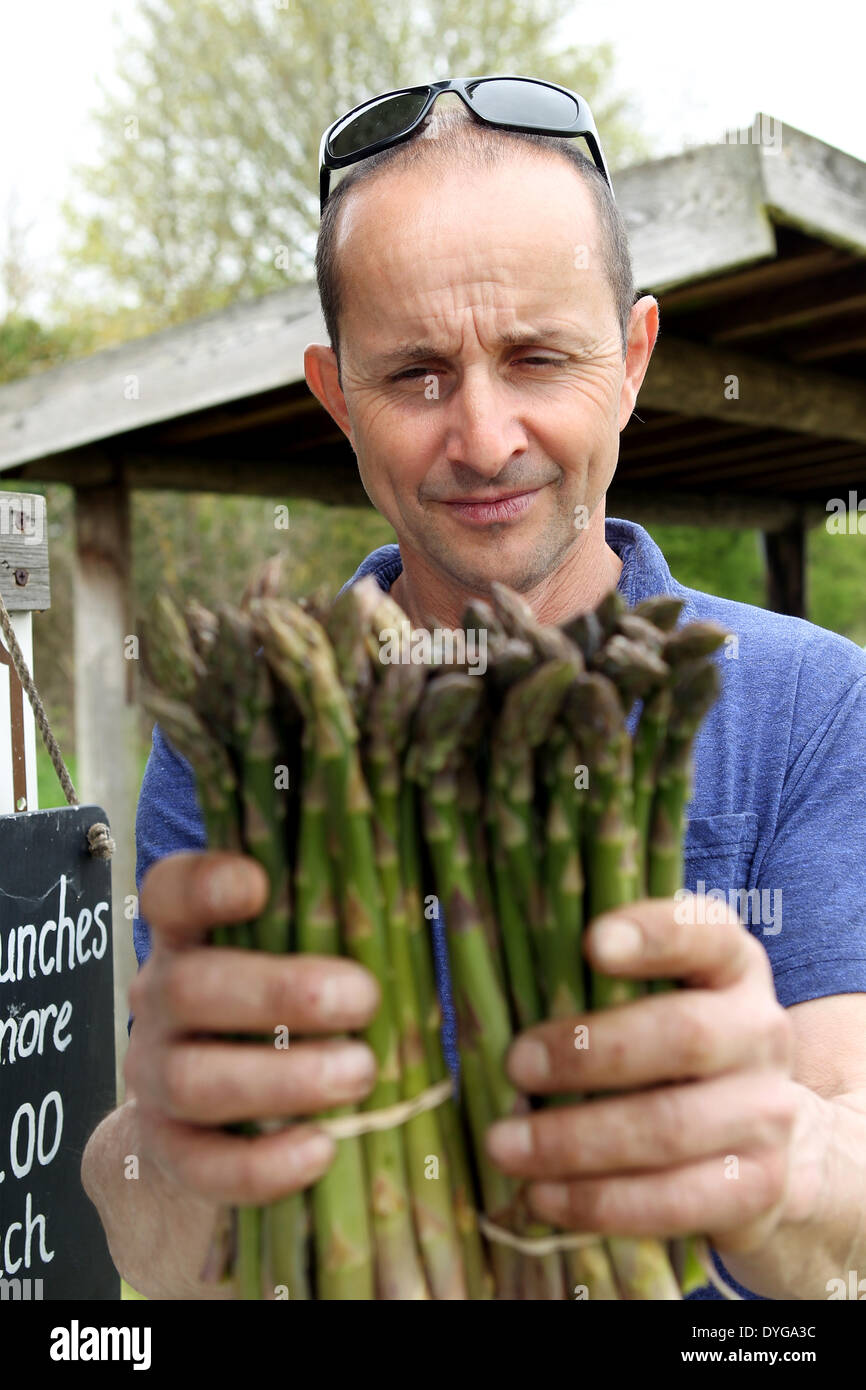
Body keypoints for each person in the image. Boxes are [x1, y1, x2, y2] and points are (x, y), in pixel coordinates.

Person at [82, 78, 866, 1301]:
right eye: (416, 375)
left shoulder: (811, 702)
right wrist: (175, 1153)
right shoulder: (242, 730)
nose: (485, 435)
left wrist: (785, 1163)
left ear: (633, 359)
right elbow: (153, 1242)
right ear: (335, 396)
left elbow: (849, 1205)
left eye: (537, 356)